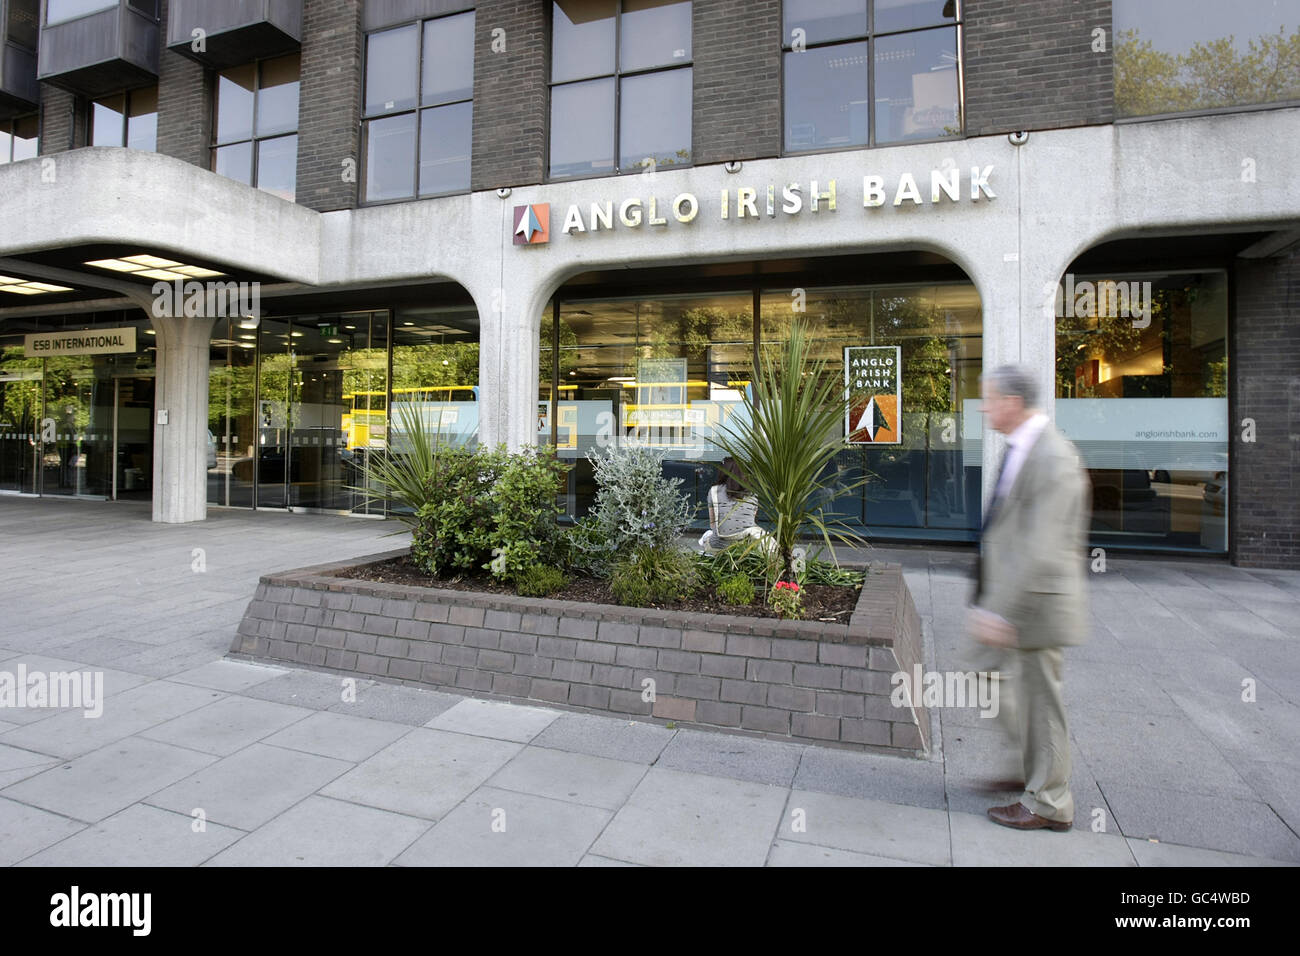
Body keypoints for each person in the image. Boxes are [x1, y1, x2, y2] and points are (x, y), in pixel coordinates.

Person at [967, 364, 1090, 832]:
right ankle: (1029, 768)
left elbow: (1042, 547)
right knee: (988, 677)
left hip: (1036, 604)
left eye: (990, 398)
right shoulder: (1022, 447)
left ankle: (1049, 802)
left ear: (1013, 402)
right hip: (1011, 600)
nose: (984, 407)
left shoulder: (1052, 456)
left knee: (1043, 703)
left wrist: (1002, 611)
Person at [698, 458, 805, 570]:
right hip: (746, 548)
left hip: (717, 545)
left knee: (707, 534)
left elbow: (713, 523)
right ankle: (789, 567)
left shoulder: (713, 491)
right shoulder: (752, 493)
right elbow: (751, 521)